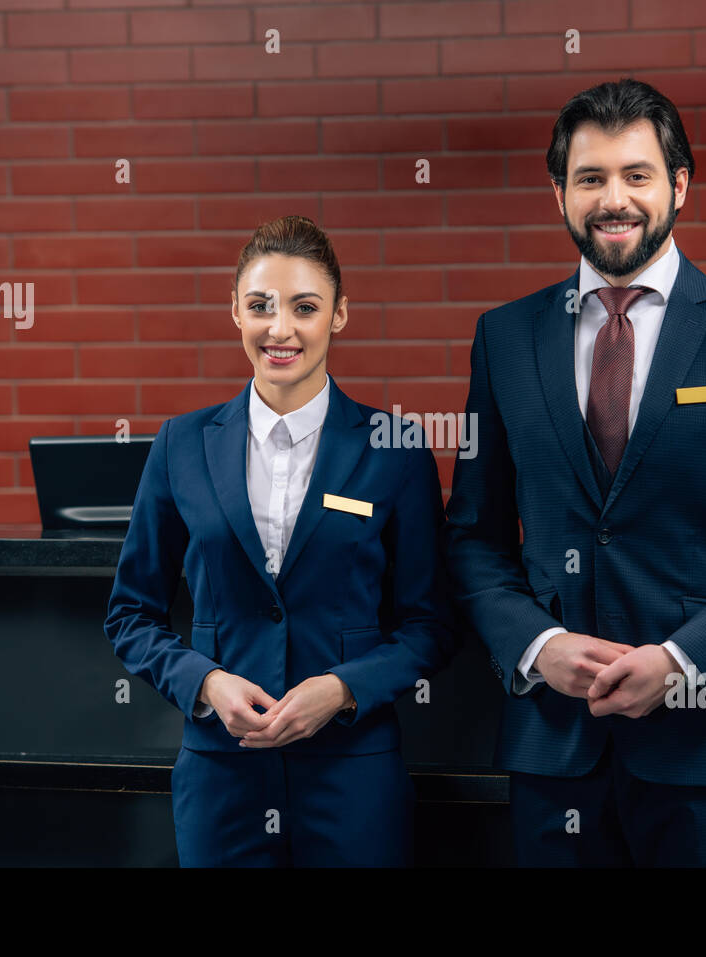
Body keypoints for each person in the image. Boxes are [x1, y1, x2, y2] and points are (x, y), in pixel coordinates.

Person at [442, 78, 706, 867]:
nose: (614, 199)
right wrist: (537, 644)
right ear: (558, 193)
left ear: (679, 186)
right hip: (554, 754)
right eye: (590, 177)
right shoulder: (503, 338)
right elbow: (473, 538)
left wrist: (682, 658)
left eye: (637, 175)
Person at [104, 215, 454, 866]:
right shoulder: (180, 444)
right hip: (221, 779)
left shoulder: (396, 448)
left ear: (339, 315)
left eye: (305, 306)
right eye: (261, 305)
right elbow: (130, 613)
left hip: (353, 777)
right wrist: (205, 683)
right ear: (235, 311)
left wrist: (342, 688)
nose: (280, 328)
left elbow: (430, 624)